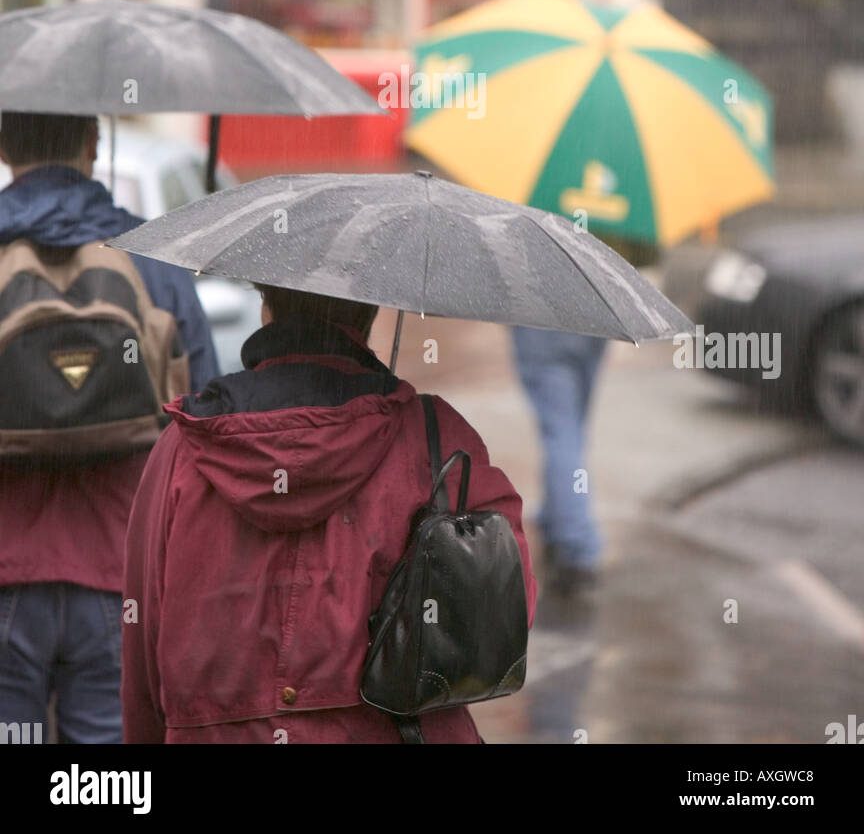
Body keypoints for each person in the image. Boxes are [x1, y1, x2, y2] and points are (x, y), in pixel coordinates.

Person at [123, 284, 537, 743]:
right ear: (367, 314)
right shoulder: (436, 437)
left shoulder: (181, 449)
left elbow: (143, 637)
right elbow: (506, 608)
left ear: (266, 311)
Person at [0, 112, 218, 744]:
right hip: (121, 575)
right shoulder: (154, 259)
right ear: (93, 144)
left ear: (3, 145)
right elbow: (205, 426)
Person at [510, 326, 606, 597]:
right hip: (592, 316)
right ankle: (555, 518)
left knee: (561, 431)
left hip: (541, 319)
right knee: (571, 426)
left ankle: (576, 545)